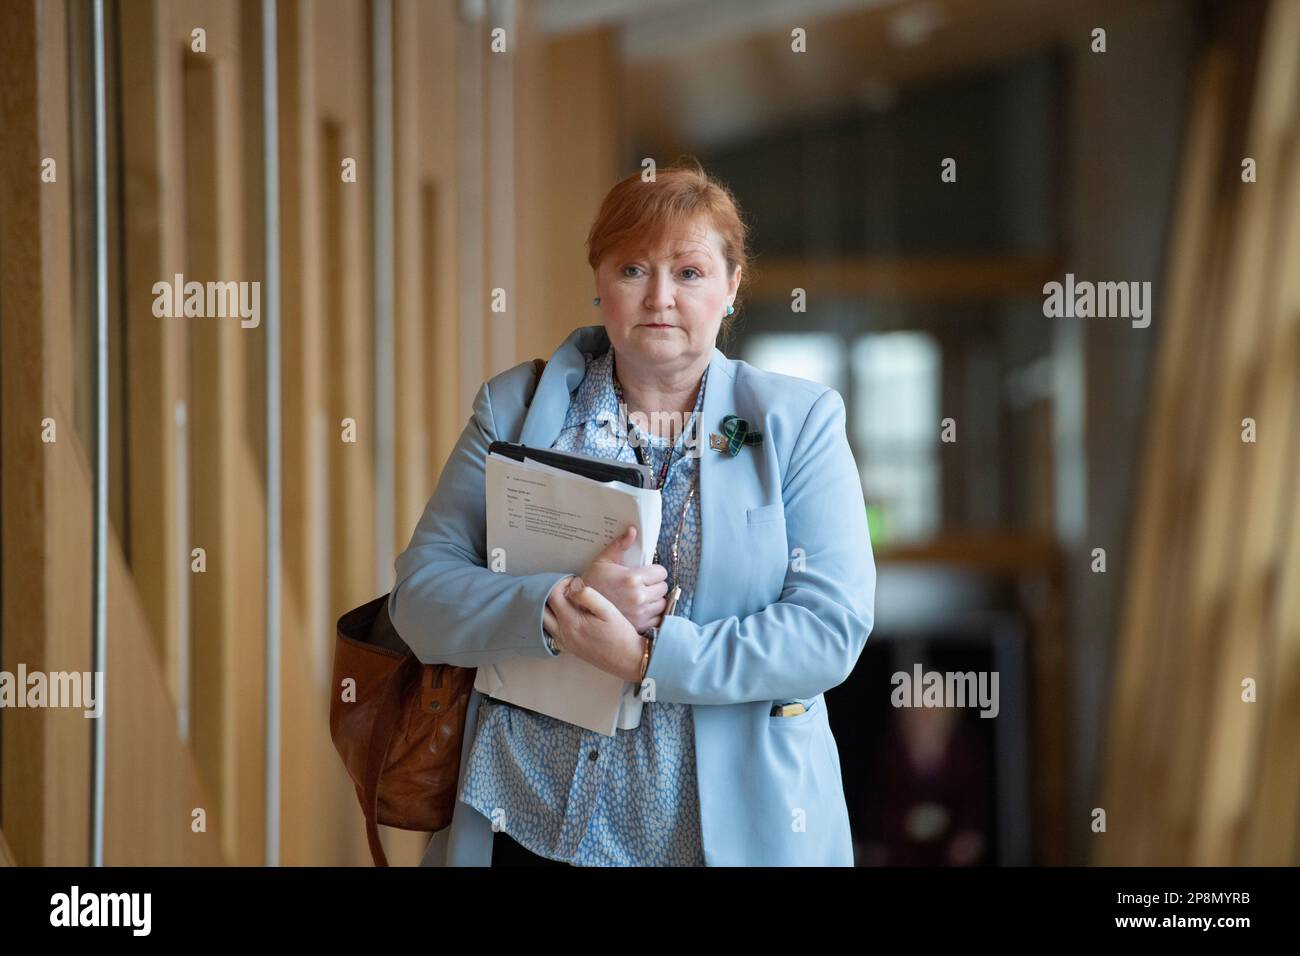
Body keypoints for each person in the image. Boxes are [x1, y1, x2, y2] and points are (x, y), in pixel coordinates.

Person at [390, 158, 876, 866]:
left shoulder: (798, 425)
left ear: (731, 286)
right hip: (523, 822)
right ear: (598, 282)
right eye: (631, 270)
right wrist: (559, 606)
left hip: (718, 837)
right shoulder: (515, 409)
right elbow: (421, 598)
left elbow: (827, 630)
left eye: (688, 272)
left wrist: (649, 658)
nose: (659, 298)